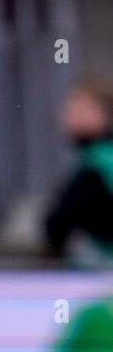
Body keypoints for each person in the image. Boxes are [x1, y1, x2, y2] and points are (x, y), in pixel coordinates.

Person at [44, 76, 113, 264]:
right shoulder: (91, 159)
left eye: (80, 109)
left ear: (105, 115)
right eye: (68, 109)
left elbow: (60, 223)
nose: (68, 116)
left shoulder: (100, 163)